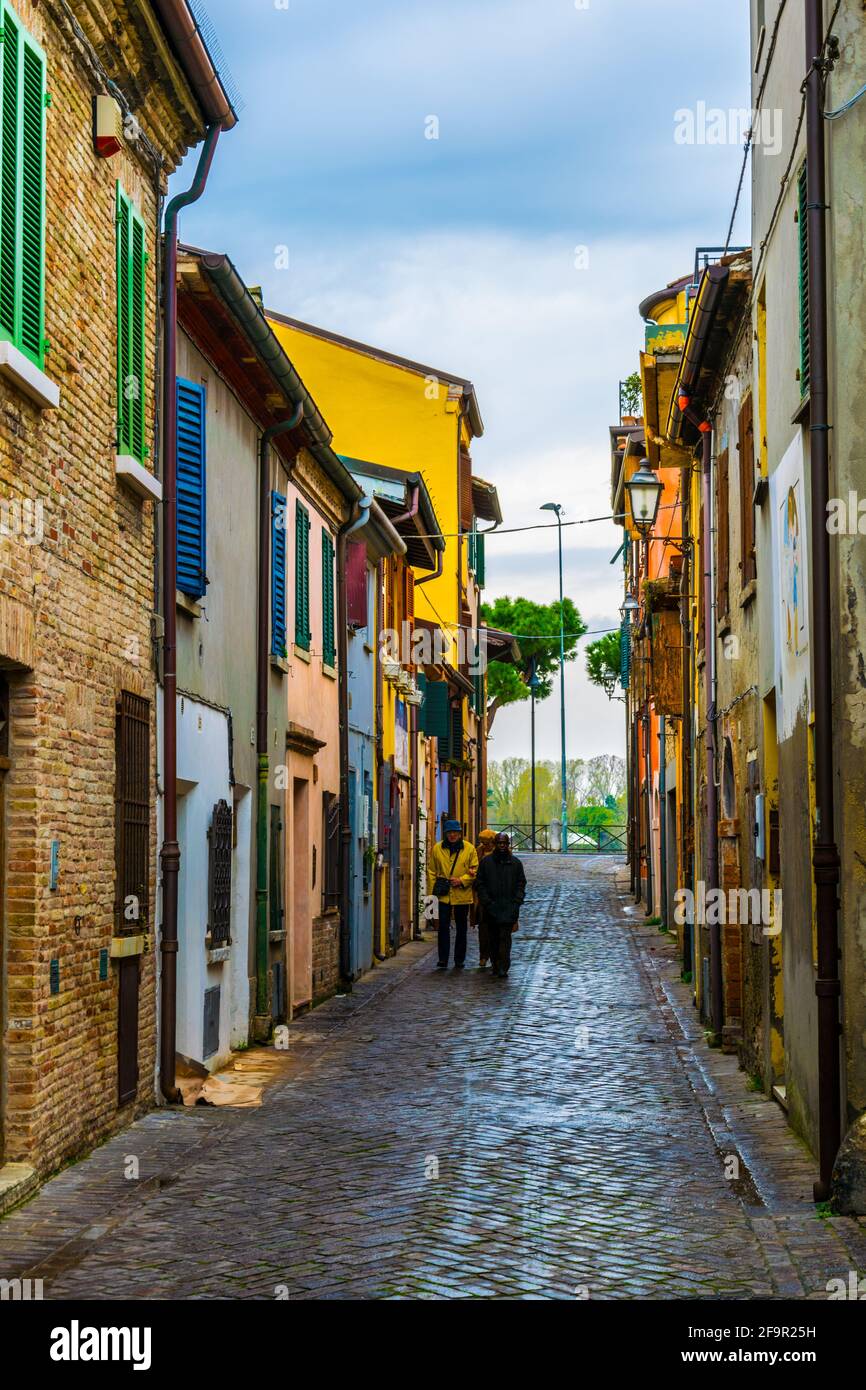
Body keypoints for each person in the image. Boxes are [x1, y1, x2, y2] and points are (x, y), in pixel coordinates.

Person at [475, 832, 526, 978]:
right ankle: (496, 964)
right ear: (495, 844)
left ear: (508, 845)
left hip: (509, 907)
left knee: (505, 938)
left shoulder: (515, 863)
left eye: (504, 843)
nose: (502, 846)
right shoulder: (486, 862)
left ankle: (503, 965)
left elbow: (521, 883)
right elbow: (480, 883)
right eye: (499, 843)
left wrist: (517, 901)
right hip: (491, 907)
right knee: (493, 938)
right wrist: (486, 901)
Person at [429, 820, 478, 970]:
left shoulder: (469, 849)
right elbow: (431, 871)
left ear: (459, 834)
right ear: (445, 834)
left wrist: (462, 880)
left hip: (462, 895)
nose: (452, 835)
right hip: (443, 895)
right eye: (449, 832)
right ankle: (443, 959)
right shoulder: (437, 848)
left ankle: (459, 959)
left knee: (461, 929)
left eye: (455, 832)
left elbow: (474, 870)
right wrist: (434, 893)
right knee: (442, 927)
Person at [473, 828, 497, 970]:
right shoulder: (479, 851)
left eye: (487, 843)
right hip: (482, 895)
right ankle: (483, 955)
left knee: (496, 927)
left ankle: (494, 956)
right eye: (482, 842)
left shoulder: (501, 852)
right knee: (483, 927)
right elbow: (475, 866)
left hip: (496, 895)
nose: (484, 845)